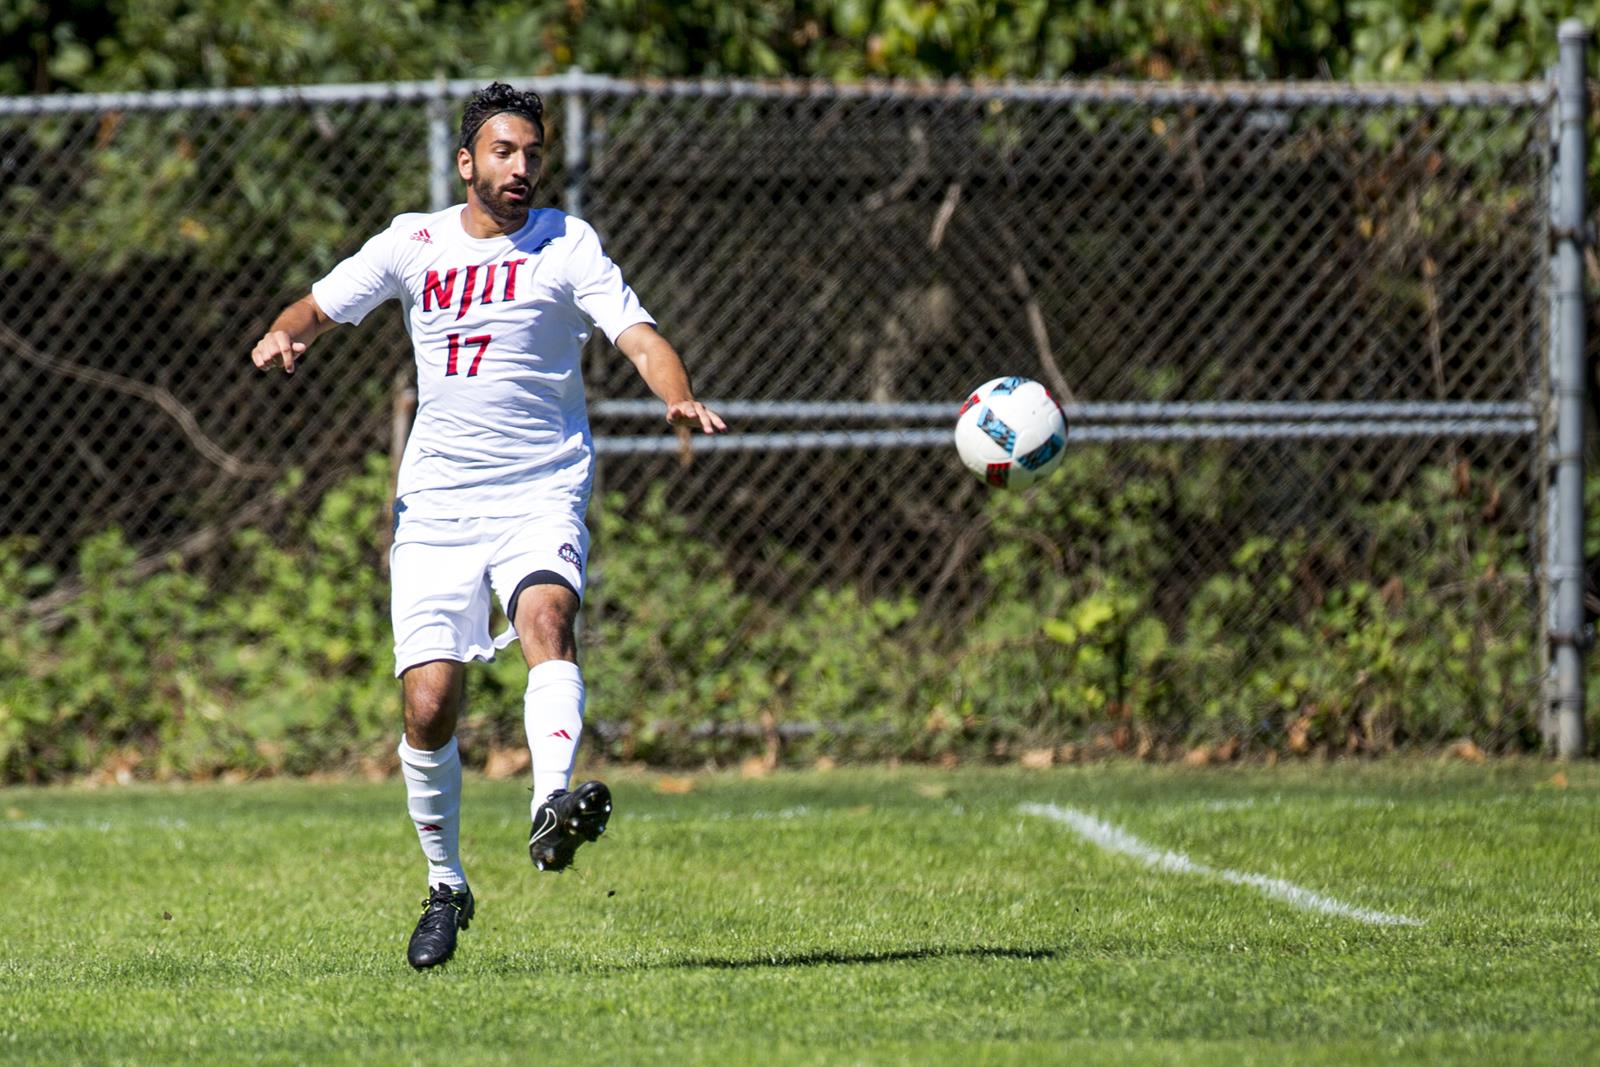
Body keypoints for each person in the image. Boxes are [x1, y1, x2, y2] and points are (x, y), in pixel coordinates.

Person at [250, 82, 726, 970]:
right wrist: (287, 333)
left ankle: (552, 801)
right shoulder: (412, 242)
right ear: (467, 161)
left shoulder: (567, 244)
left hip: (540, 489)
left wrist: (678, 393)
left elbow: (638, 332)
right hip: (437, 503)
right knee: (428, 705)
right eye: (504, 153)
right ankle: (446, 883)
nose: (521, 168)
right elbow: (314, 304)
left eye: (533, 155)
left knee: (548, 618)